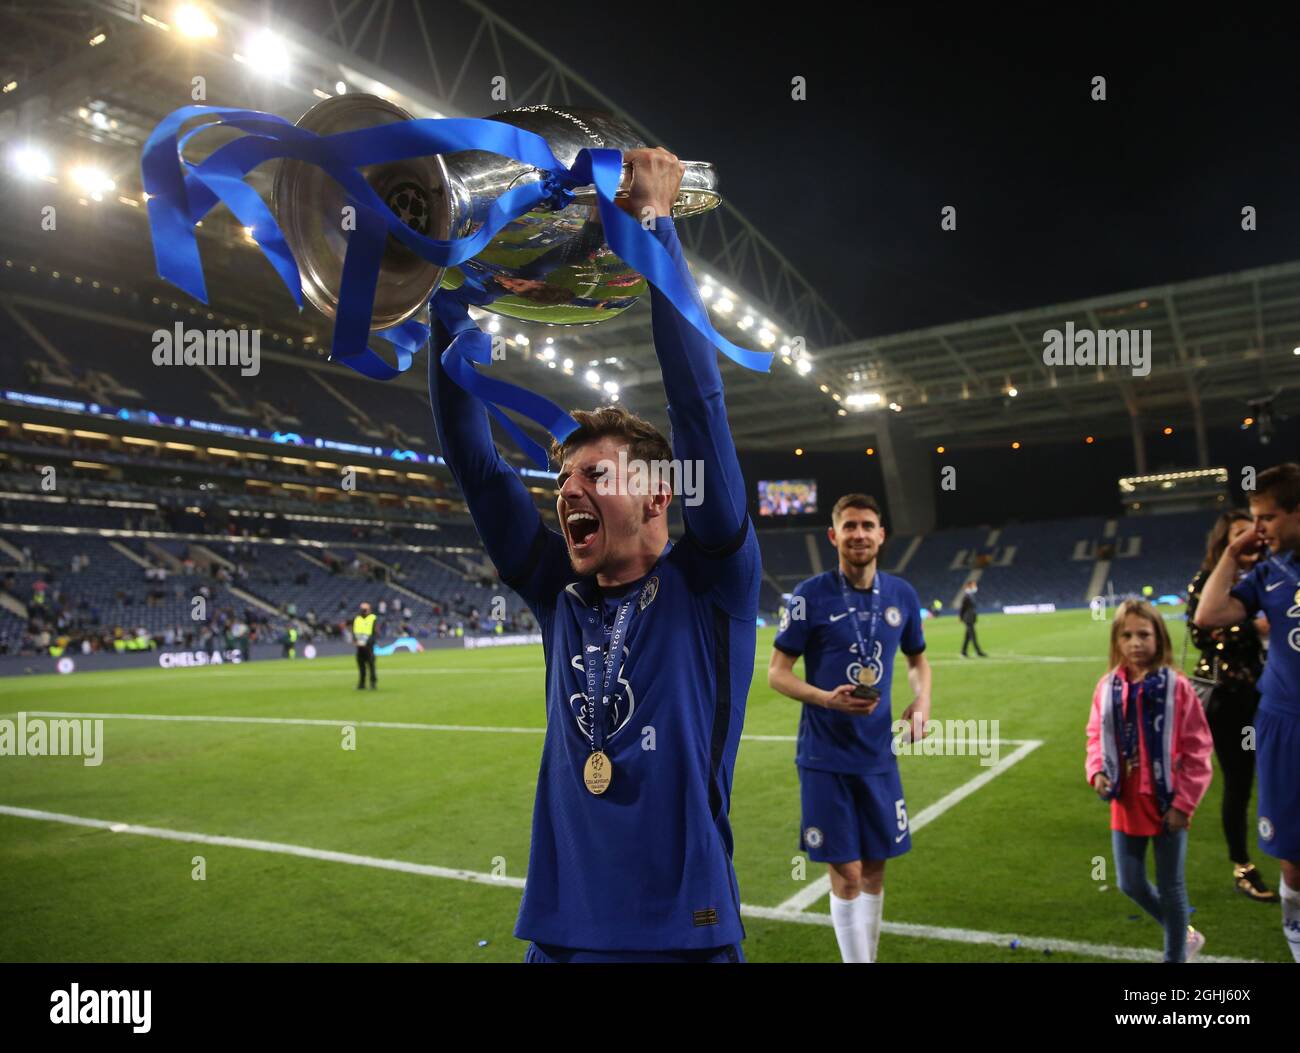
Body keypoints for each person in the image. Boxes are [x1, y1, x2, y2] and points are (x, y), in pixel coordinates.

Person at [430, 148, 759, 962]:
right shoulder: (557, 589)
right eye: (562, 475)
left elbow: (698, 407)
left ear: (658, 495)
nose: (567, 490)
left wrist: (653, 230)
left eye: (594, 474)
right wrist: (444, 292)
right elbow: (477, 466)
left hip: (687, 936)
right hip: (562, 937)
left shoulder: (713, 581)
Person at [767, 493, 932, 963]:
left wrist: (922, 699)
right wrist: (825, 700)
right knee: (848, 873)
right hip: (824, 756)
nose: (859, 534)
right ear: (833, 535)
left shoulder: (902, 595)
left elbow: (918, 659)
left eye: (867, 525)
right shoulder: (808, 596)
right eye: (850, 526)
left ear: (881, 535)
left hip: (878, 755)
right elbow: (777, 672)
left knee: (876, 870)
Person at [1193, 462, 1300, 961]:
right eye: (1254, 518)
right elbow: (1207, 616)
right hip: (1281, 723)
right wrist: (1232, 555)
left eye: (1270, 517)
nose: (1260, 529)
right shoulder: (1266, 572)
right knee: (1291, 857)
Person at [1086, 599, 1213, 962]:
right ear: (1116, 641)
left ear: (1159, 637)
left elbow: (1198, 750)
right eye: (1126, 635)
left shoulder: (1178, 687)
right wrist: (1096, 770)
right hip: (1126, 798)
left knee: (1172, 887)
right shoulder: (1107, 686)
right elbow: (1095, 734)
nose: (1135, 643)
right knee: (1130, 882)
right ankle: (1185, 934)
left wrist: (1183, 804)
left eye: (1144, 634)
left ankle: (1176, 956)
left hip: (1167, 800)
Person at [1185, 510, 1275, 901]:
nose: (1251, 538)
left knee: (1278, 775)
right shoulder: (1207, 582)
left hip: (1270, 695)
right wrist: (1251, 627)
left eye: (1254, 531)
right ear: (1224, 543)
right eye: (1239, 534)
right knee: (1239, 782)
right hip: (1227, 698)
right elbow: (1202, 631)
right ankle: (1242, 865)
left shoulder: (1272, 576)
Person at [958, 580, 987, 657]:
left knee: (967, 637)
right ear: (969, 586)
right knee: (973, 636)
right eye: (974, 585)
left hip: (971, 618)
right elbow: (962, 608)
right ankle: (978, 652)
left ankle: (963, 652)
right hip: (968, 619)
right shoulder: (966, 596)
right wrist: (961, 618)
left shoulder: (971, 595)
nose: (975, 587)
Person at [353, 602, 377, 690]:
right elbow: (354, 631)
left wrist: (369, 642)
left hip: (368, 646)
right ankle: (361, 684)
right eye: (362, 609)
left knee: (371, 665)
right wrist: (355, 641)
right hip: (359, 646)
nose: (363, 611)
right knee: (361, 665)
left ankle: (373, 683)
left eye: (365, 609)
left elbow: (374, 632)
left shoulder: (372, 618)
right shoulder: (357, 618)